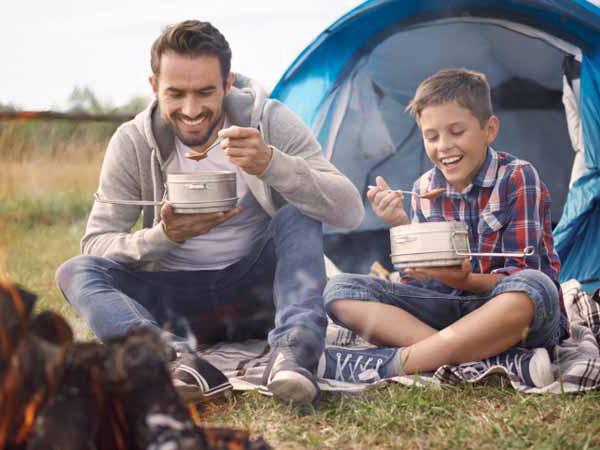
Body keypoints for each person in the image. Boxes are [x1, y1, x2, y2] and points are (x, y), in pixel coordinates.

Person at [56, 20, 364, 405]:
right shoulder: (133, 141)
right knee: (74, 271)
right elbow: (96, 244)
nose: (191, 109)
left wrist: (271, 163)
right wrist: (165, 236)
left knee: (297, 214)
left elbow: (349, 210)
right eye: (176, 94)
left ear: (228, 83)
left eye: (205, 92)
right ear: (154, 87)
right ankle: (173, 360)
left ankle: (294, 354)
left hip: (257, 295)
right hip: (174, 304)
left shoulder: (269, 122)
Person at [319, 68, 568, 388]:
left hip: (512, 314)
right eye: (431, 136)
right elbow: (418, 283)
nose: (444, 146)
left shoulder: (517, 177)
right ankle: (490, 362)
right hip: (451, 310)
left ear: (489, 129)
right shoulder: (424, 188)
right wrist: (400, 224)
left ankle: (395, 364)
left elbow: (523, 274)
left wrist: (463, 279)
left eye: (456, 131)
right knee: (339, 291)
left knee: (534, 287)